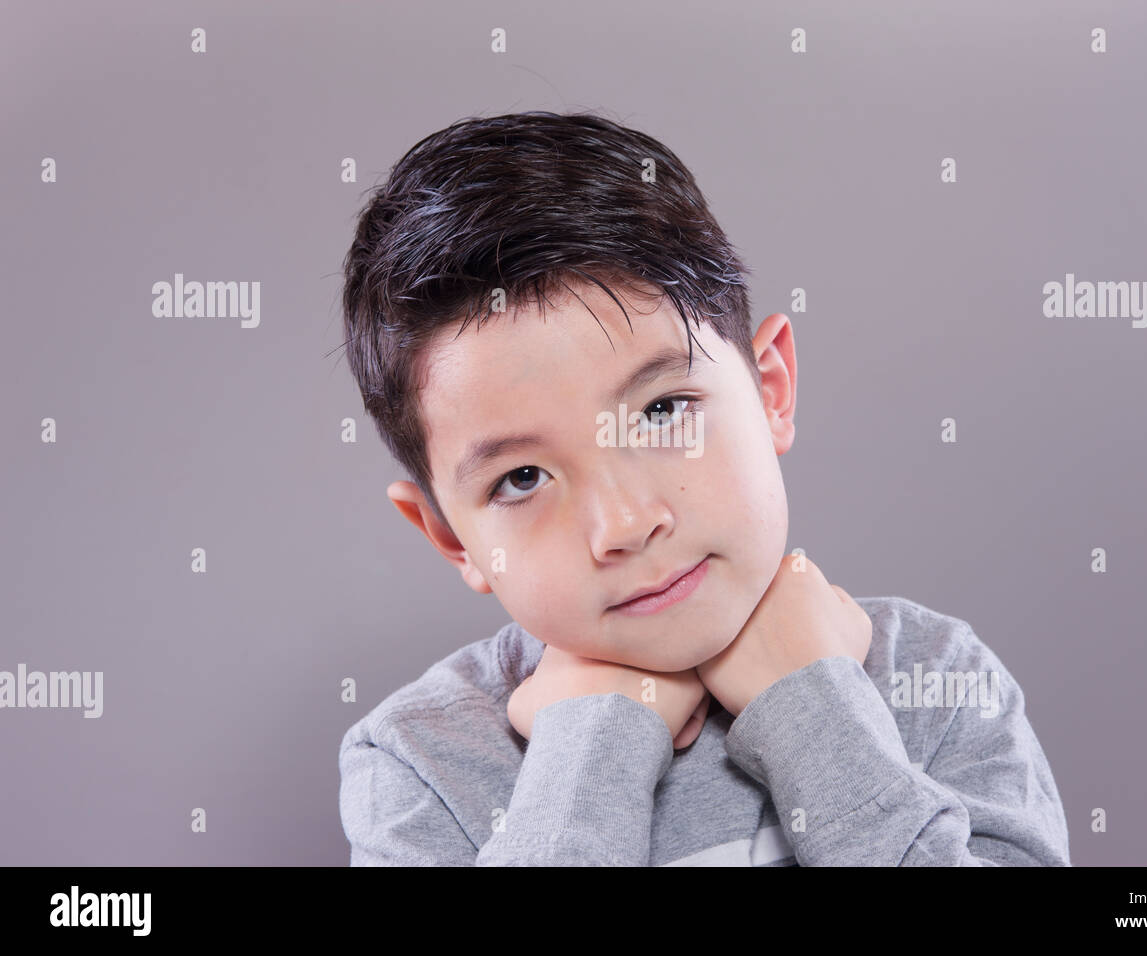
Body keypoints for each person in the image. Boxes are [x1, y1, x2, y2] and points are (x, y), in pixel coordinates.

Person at [336, 110, 1070, 866]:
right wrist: (590, 752)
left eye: (661, 412)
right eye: (522, 478)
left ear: (772, 390)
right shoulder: (418, 765)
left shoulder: (933, 680)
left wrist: (812, 716)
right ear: (452, 537)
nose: (624, 523)